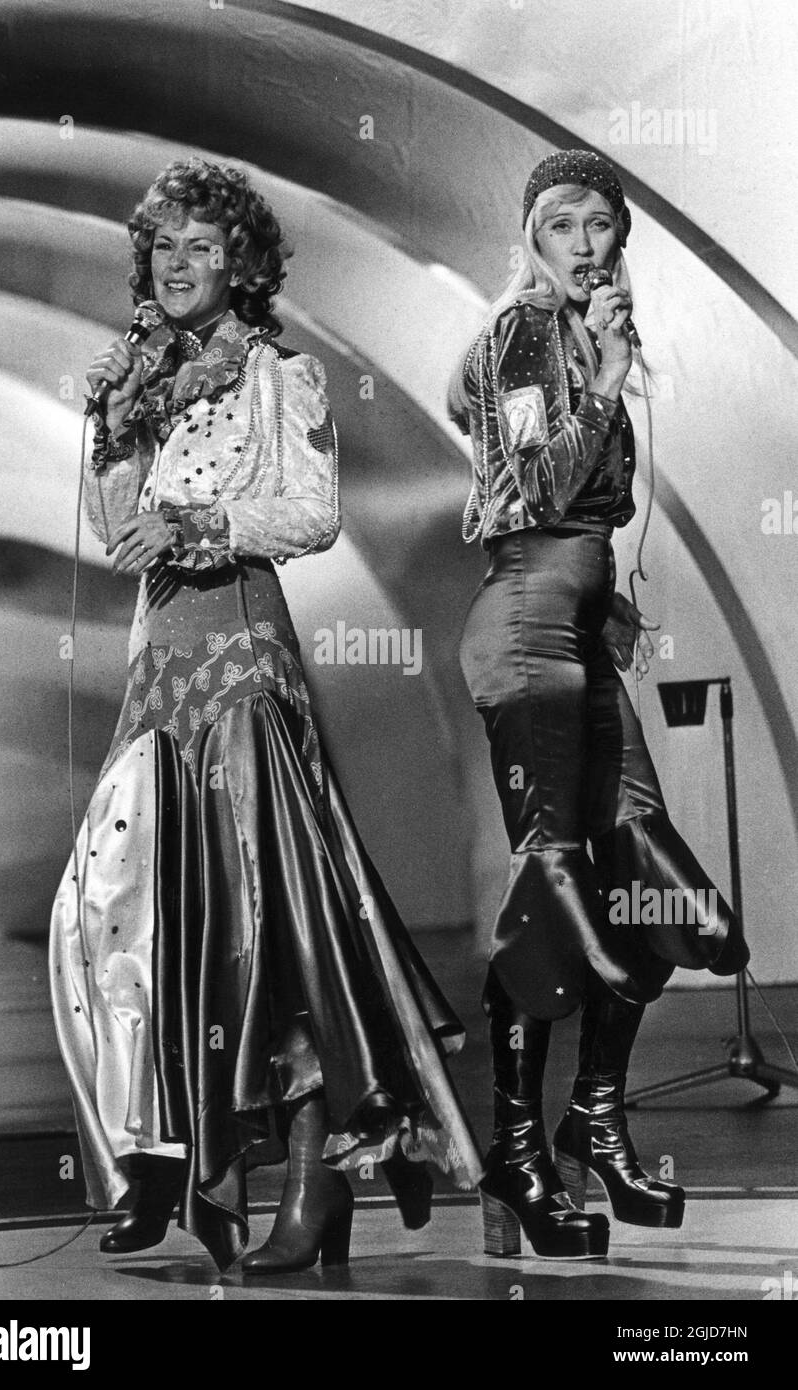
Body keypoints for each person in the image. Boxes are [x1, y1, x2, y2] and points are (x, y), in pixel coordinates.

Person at [50, 156, 482, 1277]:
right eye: (163, 245)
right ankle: (173, 1168)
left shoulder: (278, 376)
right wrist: (107, 420)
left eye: (201, 245)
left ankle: (314, 1174)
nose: (176, 262)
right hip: (160, 673)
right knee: (146, 924)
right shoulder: (142, 383)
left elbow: (311, 512)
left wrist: (190, 523)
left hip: (242, 661)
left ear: (242, 264)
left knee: (271, 925)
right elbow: (110, 526)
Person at [448, 149, 748, 1261]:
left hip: (577, 637)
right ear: (531, 236)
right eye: (562, 223)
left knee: (649, 886)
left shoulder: (584, 339)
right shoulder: (523, 336)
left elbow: (584, 513)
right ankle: (517, 1154)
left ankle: (595, 1117)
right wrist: (608, 384)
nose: (584, 244)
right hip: (522, 635)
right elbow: (529, 489)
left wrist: (610, 607)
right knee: (558, 886)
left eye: (601, 226)